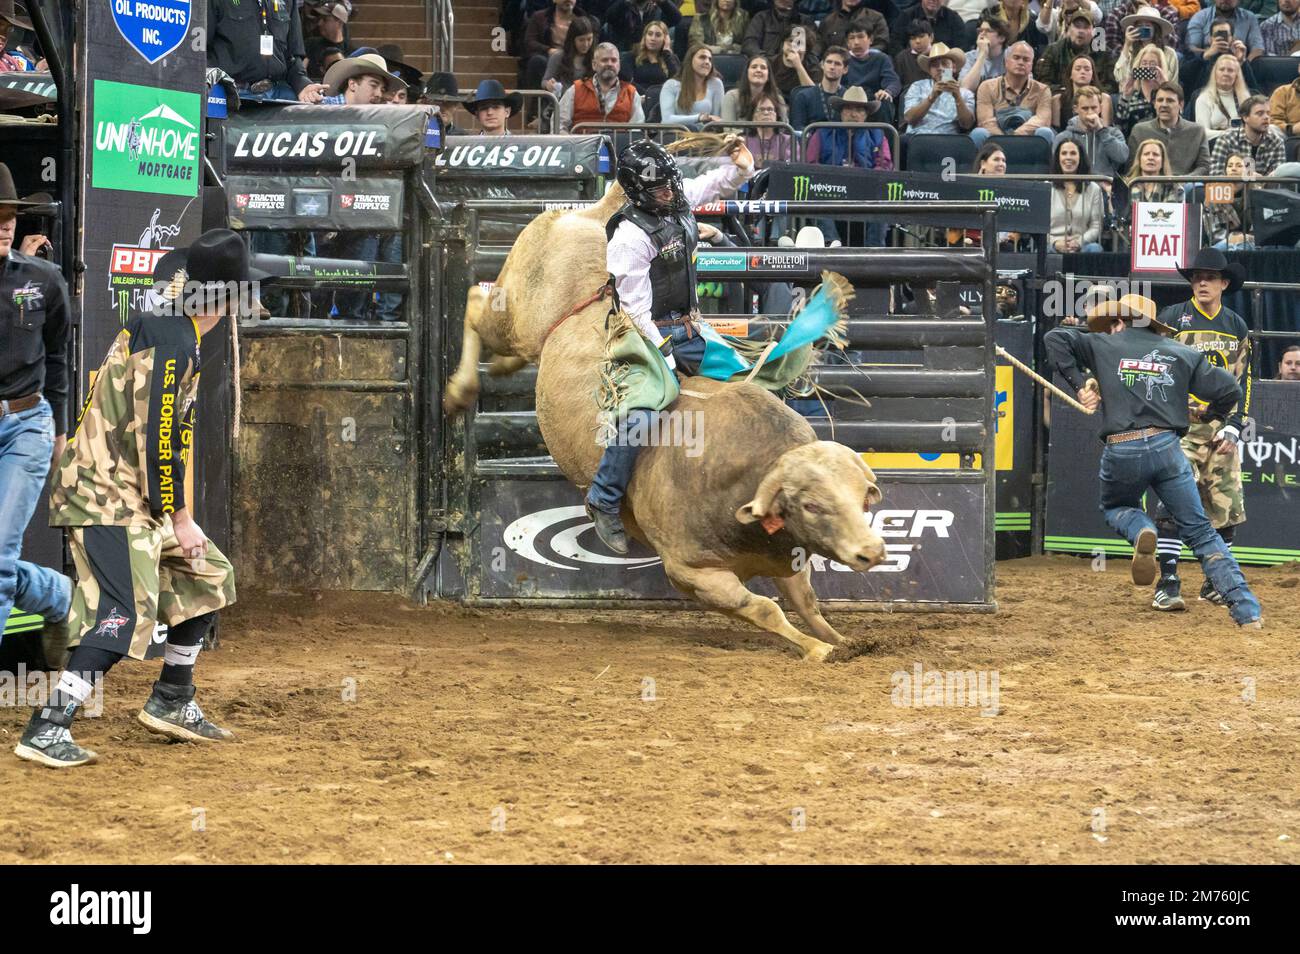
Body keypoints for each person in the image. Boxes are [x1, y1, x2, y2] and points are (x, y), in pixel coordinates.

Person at [13, 229, 261, 768]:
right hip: (104, 493)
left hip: (125, 489)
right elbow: (160, 439)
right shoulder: (172, 338)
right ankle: (48, 724)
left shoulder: (177, 327)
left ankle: (172, 697)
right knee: (122, 612)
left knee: (208, 574)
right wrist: (181, 516)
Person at [1044, 294, 1262, 627]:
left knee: (1117, 507)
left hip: (1123, 446)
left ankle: (1143, 530)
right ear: (1155, 326)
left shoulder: (1103, 344)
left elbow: (1055, 338)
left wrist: (1078, 385)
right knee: (1202, 532)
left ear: (1120, 322)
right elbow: (1230, 388)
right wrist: (1215, 414)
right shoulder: (1182, 352)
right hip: (1167, 447)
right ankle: (1247, 610)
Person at [587, 139, 755, 554]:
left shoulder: (676, 202)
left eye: (671, 184)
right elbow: (635, 310)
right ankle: (604, 499)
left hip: (689, 327)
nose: (671, 192)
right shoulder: (628, 235)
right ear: (640, 191)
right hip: (644, 334)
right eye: (660, 187)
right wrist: (663, 358)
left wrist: (740, 169)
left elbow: (711, 185)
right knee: (642, 415)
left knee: (753, 381)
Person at [1147, 249, 1253, 612]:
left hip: (1220, 429)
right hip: (1178, 426)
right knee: (1173, 501)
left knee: (1227, 507)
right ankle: (1168, 581)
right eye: (1196, 277)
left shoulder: (1237, 325)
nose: (1202, 282)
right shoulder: (1172, 318)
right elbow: (1153, 368)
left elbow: (1244, 379)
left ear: (1224, 283)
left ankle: (1213, 582)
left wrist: (1235, 425)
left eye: (1209, 277)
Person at [0, 163, 70, 648]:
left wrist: (61, 433)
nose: (5, 224)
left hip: (26, 423)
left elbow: (60, 358)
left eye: (9, 215)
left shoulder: (43, 280)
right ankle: (65, 599)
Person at [208, 0, 328, 103]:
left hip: (276, 94)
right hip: (230, 96)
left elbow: (292, 54)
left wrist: (302, 85)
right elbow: (198, 51)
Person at [973, 42, 1056, 146]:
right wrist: (1005, 140)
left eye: (1026, 59)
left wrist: (1016, 135)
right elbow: (986, 121)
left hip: (1028, 141)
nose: (1021, 62)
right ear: (1006, 61)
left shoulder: (1042, 90)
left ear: (1031, 65)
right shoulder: (987, 87)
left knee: (1045, 132)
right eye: (1016, 58)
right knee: (979, 133)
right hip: (995, 142)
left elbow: (1042, 120)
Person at [1126, 82, 1210, 176]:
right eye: (1160, 100)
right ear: (1154, 104)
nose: (1164, 105)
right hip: (1149, 185)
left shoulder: (1197, 131)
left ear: (1181, 105)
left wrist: (1184, 181)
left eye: (1170, 100)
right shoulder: (1139, 130)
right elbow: (1132, 166)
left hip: (1186, 186)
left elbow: (1204, 167)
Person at [1055, 85, 1129, 187]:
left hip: (1105, 189)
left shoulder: (1113, 133)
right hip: (1075, 188)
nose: (1090, 112)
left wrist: (1101, 130)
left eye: (1094, 108)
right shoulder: (1063, 137)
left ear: (1100, 108)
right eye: (1085, 108)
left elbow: (1122, 157)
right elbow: (1057, 169)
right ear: (1075, 109)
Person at [560, 44, 646, 129]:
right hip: (581, 142)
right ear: (594, 64)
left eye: (614, 60)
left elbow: (636, 130)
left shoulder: (631, 93)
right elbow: (559, 124)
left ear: (619, 65)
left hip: (620, 143)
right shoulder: (576, 89)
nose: (609, 64)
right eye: (604, 60)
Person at [805, 86, 892, 167]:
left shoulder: (877, 136)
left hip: (866, 180)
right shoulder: (822, 133)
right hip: (829, 181)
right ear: (841, 112)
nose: (853, 114)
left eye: (859, 110)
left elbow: (884, 166)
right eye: (848, 108)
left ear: (866, 114)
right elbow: (811, 164)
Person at [902, 41, 976, 135]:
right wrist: (931, 98)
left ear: (953, 67)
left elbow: (967, 125)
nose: (940, 68)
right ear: (930, 70)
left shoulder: (965, 93)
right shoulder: (917, 87)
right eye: (935, 65)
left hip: (948, 140)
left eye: (944, 64)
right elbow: (909, 119)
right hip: (918, 136)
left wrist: (958, 97)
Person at [522, 0, 597, 91]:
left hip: (579, 56)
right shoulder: (539, 17)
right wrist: (549, 50)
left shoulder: (584, 18)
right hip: (549, 57)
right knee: (537, 61)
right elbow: (529, 41)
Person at [1049, 138, 1105, 252]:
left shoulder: (1094, 189)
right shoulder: (1046, 188)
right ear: (1058, 158)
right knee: (1045, 251)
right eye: (1064, 153)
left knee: (1095, 249)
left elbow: (1096, 226)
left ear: (1081, 158)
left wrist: (1079, 242)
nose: (1068, 157)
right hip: (1053, 246)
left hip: (1083, 245)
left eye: (1073, 153)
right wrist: (1055, 243)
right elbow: (1039, 228)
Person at [1210, 94, 1289, 176]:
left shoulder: (1276, 142)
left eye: (1268, 113)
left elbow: (1278, 180)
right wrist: (1247, 179)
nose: (1266, 117)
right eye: (1260, 113)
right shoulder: (1226, 139)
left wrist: (1258, 182)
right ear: (1245, 117)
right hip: (1233, 188)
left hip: (1265, 189)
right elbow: (1215, 175)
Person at [1107, 3, 1180, 88]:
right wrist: (1127, 44)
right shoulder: (1129, 51)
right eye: (1139, 26)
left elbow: (1172, 84)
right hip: (1133, 97)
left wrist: (1138, 74)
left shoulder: (1170, 53)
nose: (1143, 29)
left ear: (1156, 29)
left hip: (1159, 97)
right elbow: (1119, 77)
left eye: (1147, 26)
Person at [1037, 11, 1113, 91]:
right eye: (1077, 26)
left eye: (1085, 27)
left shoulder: (1104, 52)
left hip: (1095, 99)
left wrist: (1094, 93)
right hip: (1061, 97)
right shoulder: (1054, 50)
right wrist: (1066, 92)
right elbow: (1043, 82)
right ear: (1069, 28)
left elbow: (1112, 84)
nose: (1081, 31)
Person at [843, 22, 901, 121]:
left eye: (861, 37)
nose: (856, 42)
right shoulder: (843, 59)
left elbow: (893, 81)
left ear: (870, 39)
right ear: (847, 43)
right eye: (852, 38)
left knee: (885, 101)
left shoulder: (881, 58)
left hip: (873, 99)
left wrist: (887, 92)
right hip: (849, 99)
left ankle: (883, 136)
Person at [661, 44, 726, 128]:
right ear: (690, 60)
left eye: (709, 59)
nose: (707, 62)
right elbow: (667, 120)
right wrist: (699, 118)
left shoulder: (716, 84)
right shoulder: (671, 85)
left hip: (705, 137)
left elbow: (716, 120)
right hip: (676, 136)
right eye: (702, 57)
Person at [1202, 153, 1256, 250]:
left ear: (1248, 172)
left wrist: (1245, 238)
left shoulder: (1256, 193)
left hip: (1249, 243)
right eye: (1230, 166)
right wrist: (1234, 239)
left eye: (1239, 166)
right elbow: (1214, 233)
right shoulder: (1215, 192)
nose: (1233, 169)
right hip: (1223, 243)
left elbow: (1258, 231)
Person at [1115, 45, 1168, 138]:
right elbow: (1119, 128)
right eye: (1144, 63)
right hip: (1136, 142)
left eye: (1152, 64)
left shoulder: (1165, 93)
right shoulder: (1132, 95)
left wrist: (1166, 87)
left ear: (1160, 68)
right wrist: (1125, 96)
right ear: (1138, 66)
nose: (1147, 67)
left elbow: (1175, 122)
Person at [789, 46, 849, 129]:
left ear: (845, 69)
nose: (832, 67)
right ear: (822, 65)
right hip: (811, 140)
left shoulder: (848, 97)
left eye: (837, 64)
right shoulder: (803, 96)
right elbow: (798, 128)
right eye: (829, 62)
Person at [1187, 0, 1264, 62]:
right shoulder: (1200, 16)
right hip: (1206, 65)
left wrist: (1244, 64)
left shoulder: (1249, 18)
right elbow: (1191, 47)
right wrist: (1208, 52)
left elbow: (1258, 49)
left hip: (1239, 65)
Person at [1196, 53, 1249, 141]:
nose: (1226, 73)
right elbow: (1202, 133)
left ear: (1237, 75)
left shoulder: (1246, 98)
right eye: (1222, 69)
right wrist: (1229, 133)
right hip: (1215, 147)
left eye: (1230, 70)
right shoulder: (1203, 99)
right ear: (1215, 73)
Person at [543, 15, 599, 98]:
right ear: (572, 40)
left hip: (588, 103)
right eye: (581, 40)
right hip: (563, 103)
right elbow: (545, 81)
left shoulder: (597, 57)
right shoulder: (558, 57)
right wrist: (549, 85)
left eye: (589, 39)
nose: (586, 44)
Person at [722, 53, 787, 122]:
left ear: (768, 76)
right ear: (747, 73)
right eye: (754, 67)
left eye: (763, 67)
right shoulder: (731, 97)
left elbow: (784, 129)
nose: (758, 70)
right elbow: (728, 129)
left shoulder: (778, 99)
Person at [1054, 56, 1116, 128]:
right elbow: (1056, 131)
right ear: (1070, 74)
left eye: (1087, 69)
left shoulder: (1104, 98)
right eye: (1078, 69)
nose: (1082, 72)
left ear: (1093, 75)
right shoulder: (1058, 99)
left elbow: (1107, 129)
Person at [887, 0, 965, 56]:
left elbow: (960, 47)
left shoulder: (954, 18)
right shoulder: (906, 16)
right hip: (912, 65)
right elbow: (895, 44)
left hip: (943, 64)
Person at [602, 0, 682, 52]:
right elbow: (609, 17)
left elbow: (676, 19)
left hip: (651, 55)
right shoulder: (622, 7)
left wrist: (663, 2)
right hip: (624, 53)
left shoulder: (657, 10)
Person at [304, 1, 355, 80]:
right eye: (319, 19)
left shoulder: (350, 52)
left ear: (339, 22)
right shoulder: (310, 44)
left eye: (325, 20)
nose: (319, 23)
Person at [960, 15, 1010, 94]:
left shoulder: (1012, 55)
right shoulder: (968, 58)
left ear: (1002, 38)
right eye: (980, 30)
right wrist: (982, 54)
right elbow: (966, 89)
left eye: (988, 31)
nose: (982, 34)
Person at [746, 94, 796, 167]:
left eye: (770, 109)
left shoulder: (788, 141)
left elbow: (791, 168)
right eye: (761, 109)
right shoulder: (744, 141)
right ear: (753, 116)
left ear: (776, 115)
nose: (766, 113)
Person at [819, 0, 889, 51]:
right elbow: (821, 48)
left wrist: (861, 55)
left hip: (867, 65)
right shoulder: (828, 22)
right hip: (837, 66)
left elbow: (882, 43)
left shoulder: (876, 17)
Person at [894, 18, 934, 90]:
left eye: (921, 36)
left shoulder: (941, 54)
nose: (917, 41)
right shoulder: (902, 58)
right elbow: (898, 84)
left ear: (931, 37)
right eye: (913, 38)